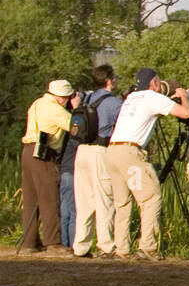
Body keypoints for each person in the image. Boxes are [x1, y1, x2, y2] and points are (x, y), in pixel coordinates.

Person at [107, 68, 189, 260]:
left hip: (112, 152)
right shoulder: (153, 97)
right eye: (159, 82)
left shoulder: (131, 98)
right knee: (150, 198)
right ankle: (148, 247)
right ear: (153, 83)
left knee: (122, 203)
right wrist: (183, 96)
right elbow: (185, 113)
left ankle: (121, 249)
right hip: (130, 154)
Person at [20, 79, 76, 255]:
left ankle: (29, 243)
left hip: (28, 152)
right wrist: (76, 109)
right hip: (44, 154)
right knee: (49, 197)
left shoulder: (37, 103)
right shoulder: (55, 109)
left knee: (31, 199)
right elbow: (74, 128)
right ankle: (53, 242)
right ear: (62, 97)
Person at [73, 64, 123, 258]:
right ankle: (106, 246)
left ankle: (81, 246)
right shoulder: (113, 103)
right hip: (99, 151)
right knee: (104, 200)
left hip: (81, 151)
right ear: (109, 80)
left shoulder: (87, 98)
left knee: (84, 201)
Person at [58, 89, 82, 249]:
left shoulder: (59, 120)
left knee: (64, 207)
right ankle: (73, 244)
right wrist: (78, 108)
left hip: (63, 168)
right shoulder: (70, 123)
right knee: (74, 210)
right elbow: (78, 130)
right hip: (72, 168)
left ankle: (64, 243)